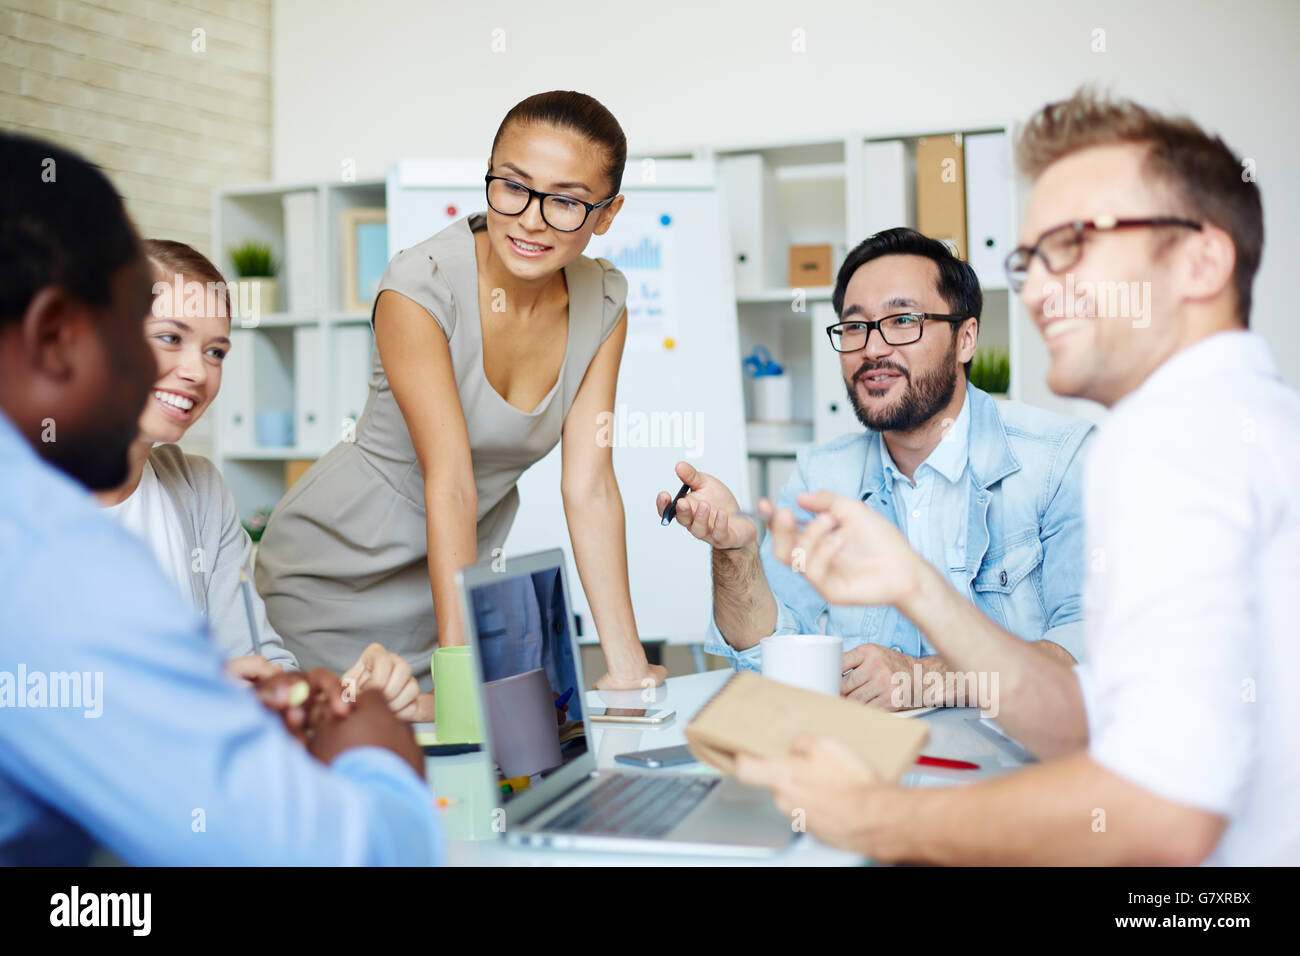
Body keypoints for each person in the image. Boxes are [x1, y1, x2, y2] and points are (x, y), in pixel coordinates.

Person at [738, 90, 1299, 865]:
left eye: (1074, 245)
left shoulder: (1174, 443)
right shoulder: (1241, 424)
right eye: (1031, 259)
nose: (1036, 291)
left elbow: (1159, 815)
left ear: (1201, 261)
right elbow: (1076, 724)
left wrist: (874, 820)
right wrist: (915, 587)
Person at [0, 129, 441, 865]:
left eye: (216, 350)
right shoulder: (46, 556)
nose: (180, 372)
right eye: (144, 335)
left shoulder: (173, 493)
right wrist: (381, 762)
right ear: (54, 337)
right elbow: (335, 854)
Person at [256, 91, 666, 713]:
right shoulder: (419, 289)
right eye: (512, 186)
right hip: (332, 579)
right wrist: (459, 679)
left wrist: (627, 666)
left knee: (468, 785)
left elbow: (591, 487)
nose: (530, 219)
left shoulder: (604, 303)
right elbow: (450, 484)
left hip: (450, 585)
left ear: (606, 215)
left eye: (565, 201)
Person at [658, 228, 1092, 708]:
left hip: (1022, 767)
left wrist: (925, 678)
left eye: (903, 320)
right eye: (855, 326)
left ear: (965, 338)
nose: (872, 349)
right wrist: (735, 553)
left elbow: (1090, 651)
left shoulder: (1059, 461)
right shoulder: (820, 477)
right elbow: (768, 655)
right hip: (872, 764)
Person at [93, 239, 420, 715]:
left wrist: (341, 697)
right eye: (170, 338)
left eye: (215, 352)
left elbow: (259, 662)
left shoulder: (198, 490)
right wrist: (193, 689)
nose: (196, 372)